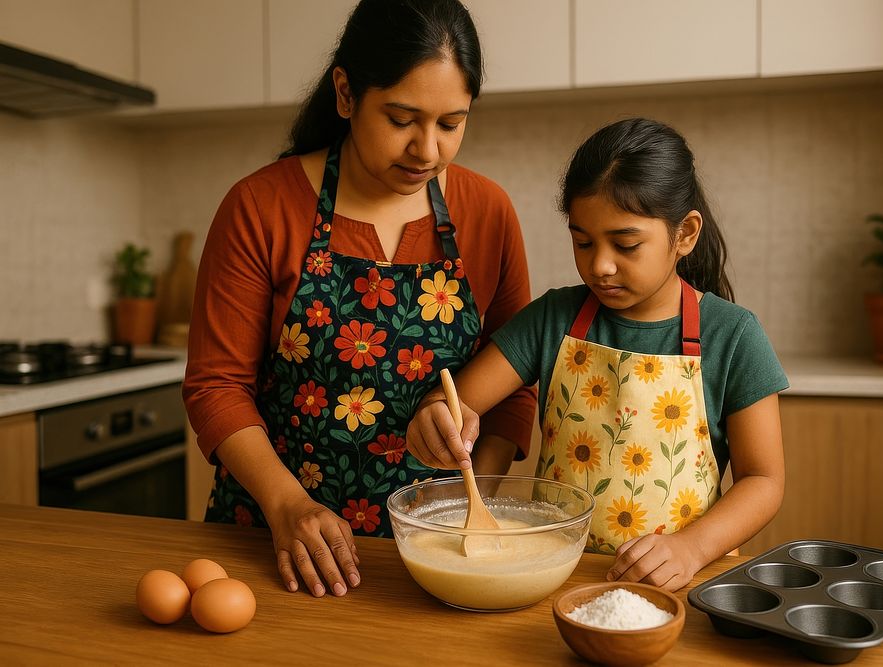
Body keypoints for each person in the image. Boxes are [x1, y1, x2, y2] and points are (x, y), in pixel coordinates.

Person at [183, 0, 536, 599]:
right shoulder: (260, 207)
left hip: (434, 553)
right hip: (277, 544)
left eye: (451, 123)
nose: (427, 149)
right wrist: (288, 505)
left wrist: (468, 503)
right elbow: (216, 388)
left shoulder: (488, 212)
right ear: (345, 94)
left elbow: (515, 381)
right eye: (402, 119)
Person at [408, 117, 788, 591]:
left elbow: (764, 481)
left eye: (626, 244)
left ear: (685, 234)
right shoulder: (554, 319)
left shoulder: (733, 336)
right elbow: (455, 402)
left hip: (678, 582)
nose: (600, 265)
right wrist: (435, 416)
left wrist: (691, 549)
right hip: (554, 574)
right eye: (582, 241)